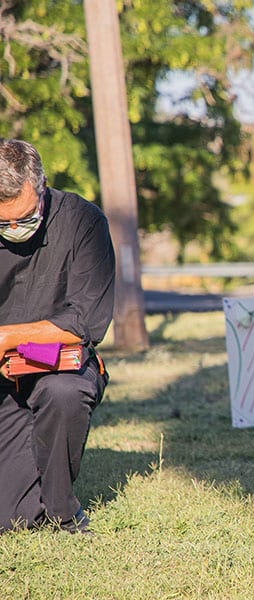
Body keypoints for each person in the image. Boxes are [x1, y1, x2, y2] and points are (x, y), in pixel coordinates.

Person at [0, 139, 114, 533]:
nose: (15, 229)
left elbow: (85, 322)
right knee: (10, 519)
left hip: (57, 367)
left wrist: (4, 337)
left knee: (63, 393)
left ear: (43, 186)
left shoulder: (84, 221)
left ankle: (64, 511)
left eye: (25, 216)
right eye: (3, 223)